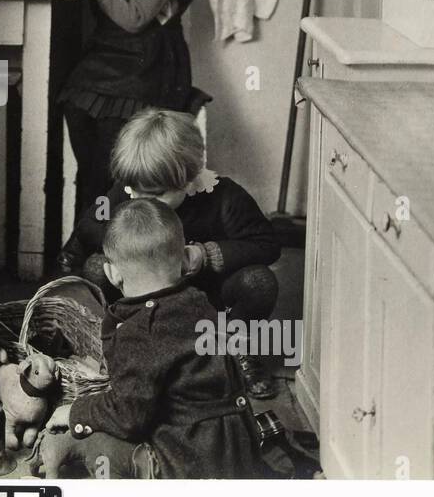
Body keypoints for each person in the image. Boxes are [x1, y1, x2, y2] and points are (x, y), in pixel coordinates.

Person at [57, 108, 282, 399]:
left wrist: (206, 255)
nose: (140, 200)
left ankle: (236, 355)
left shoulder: (224, 196)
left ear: (189, 179)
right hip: (143, 300)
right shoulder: (126, 192)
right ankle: (120, 350)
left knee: (259, 282)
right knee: (97, 268)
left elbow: (267, 243)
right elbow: (90, 226)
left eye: (156, 194)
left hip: (206, 302)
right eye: (134, 191)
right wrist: (100, 251)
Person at [37, 199, 266, 479]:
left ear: (111, 273)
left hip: (189, 460)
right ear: (185, 259)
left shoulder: (138, 331)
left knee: (98, 442)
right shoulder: (199, 300)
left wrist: (76, 412)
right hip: (237, 443)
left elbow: (129, 416)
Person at [60, 0, 200, 213]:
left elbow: (134, 18)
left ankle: (106, 218)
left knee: (114, 138)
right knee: (75, 105)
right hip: (109, 57)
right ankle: (90, 215)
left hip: (149, 61)